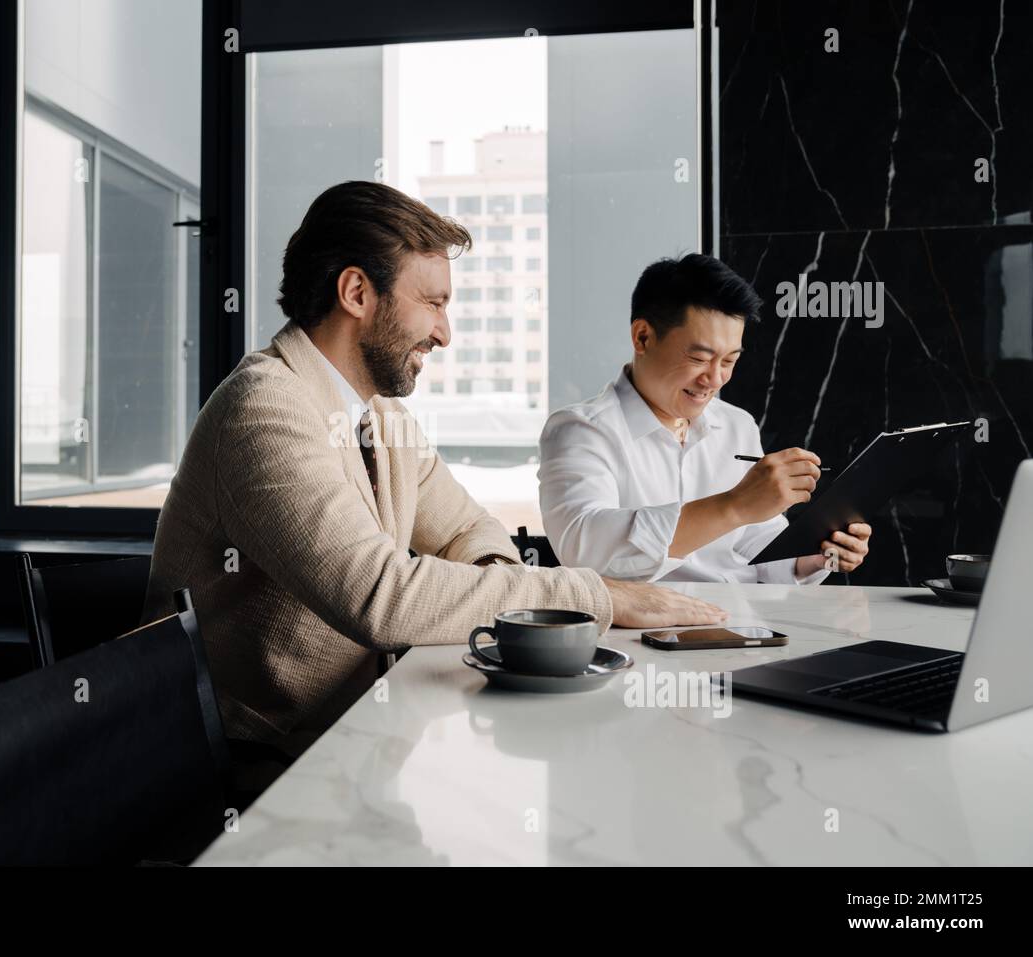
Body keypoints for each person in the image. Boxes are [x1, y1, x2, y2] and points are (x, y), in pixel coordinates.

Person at [143, 182, 725, 765]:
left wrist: (512, 610)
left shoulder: (380, 414)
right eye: (434, 303)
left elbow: (465, 527)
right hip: (243, 761)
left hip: (352, 737)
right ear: (356, 293)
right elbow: (382, 596)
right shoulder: (264, 409)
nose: (445, 333)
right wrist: (593, 595)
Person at [537, 253, 872, 584]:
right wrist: (734, 505)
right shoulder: (580, 430)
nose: (715, 379)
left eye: (728, 361)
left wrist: (817, 554)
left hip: (742, 624)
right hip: (639, 630)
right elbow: (584, 549)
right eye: (699, 357)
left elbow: (757, 543)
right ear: (642, 337)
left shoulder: (736, 425)